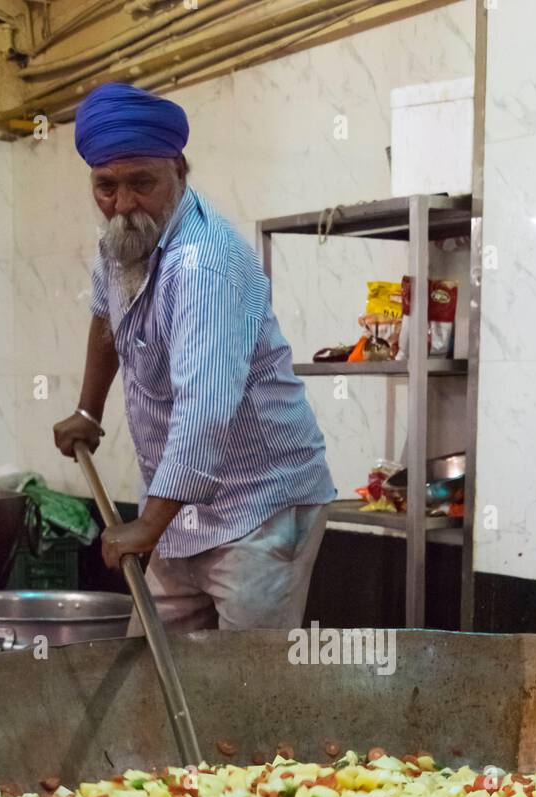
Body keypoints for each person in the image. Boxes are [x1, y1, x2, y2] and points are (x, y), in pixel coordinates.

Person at [53, 82, 335, 631]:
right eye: (106, 186)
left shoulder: (201, 266)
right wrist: (88, 412)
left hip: (262, 508)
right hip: (184, 506)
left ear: (179, 170)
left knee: (247, 688)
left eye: (142, 183)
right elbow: (106, 317)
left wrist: (146, 526)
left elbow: (203, 410)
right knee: (154, 675)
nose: (124, 203)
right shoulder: (122, 238)